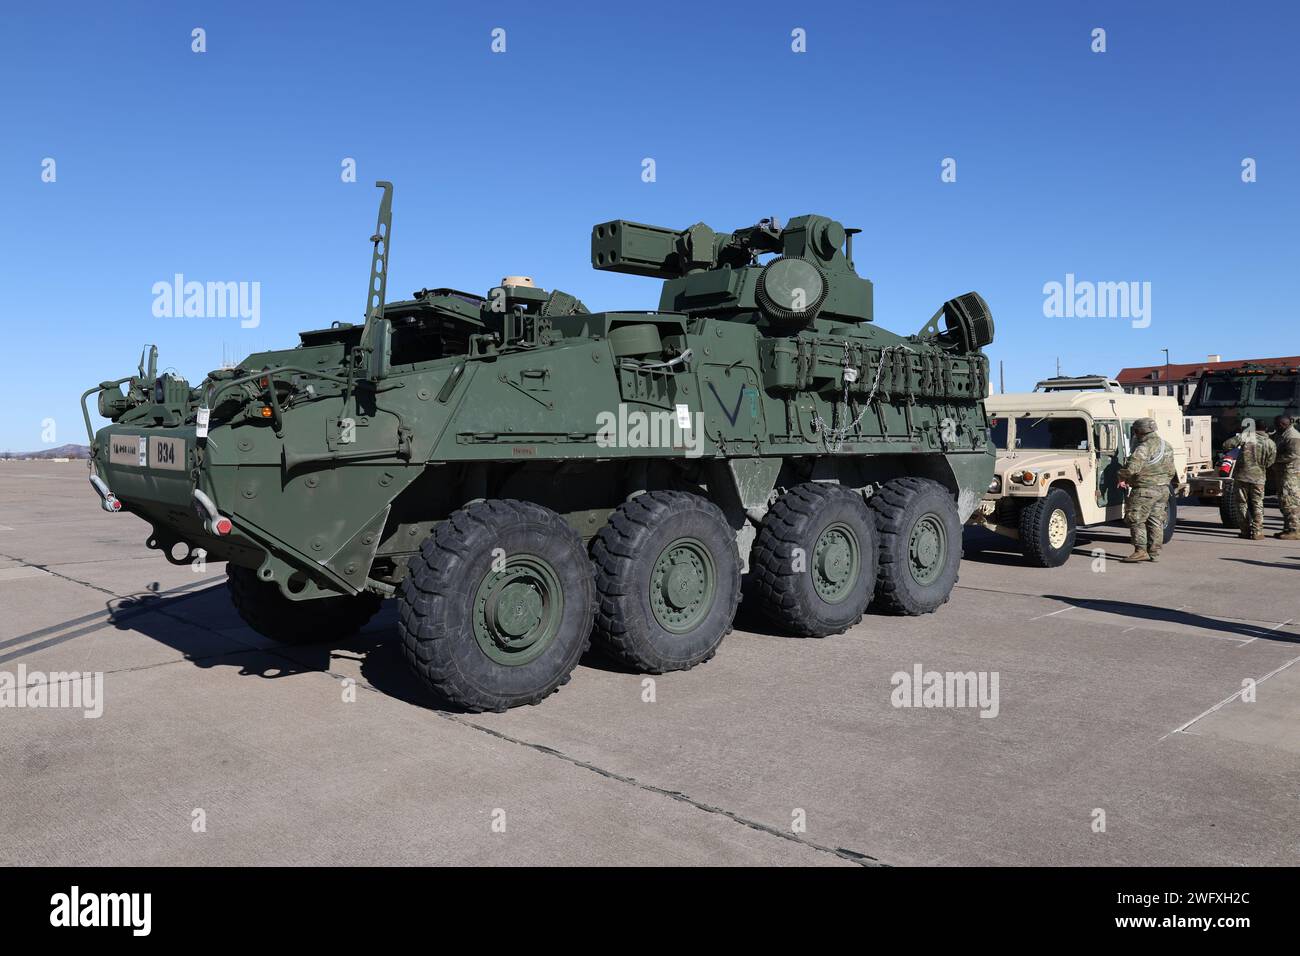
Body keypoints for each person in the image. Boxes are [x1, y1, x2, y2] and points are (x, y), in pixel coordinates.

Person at [1117, 417, 1177, 562]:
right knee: (1156, 520)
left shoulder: (1144, 447)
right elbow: (1171, 470)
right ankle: (1154, 552)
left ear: (1139, 431)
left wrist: (1121, 476)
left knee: (1136, 519)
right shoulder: (1166, 445)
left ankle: (1140, 551)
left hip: (1145, 490)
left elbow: (1132, 467)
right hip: (1163, 489)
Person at [1223, 417, 1277, 539]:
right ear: (1266, 429)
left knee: (1242, 504)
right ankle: (1257, 532)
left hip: (1242, 476)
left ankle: (1245, 531)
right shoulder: (1270, 443)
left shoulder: (1246, 437)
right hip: (1259, 478)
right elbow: (1270, 462)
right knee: (1258, 503)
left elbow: (1226, 445)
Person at [1272, 415, 1300, 540]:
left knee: (1290, 501)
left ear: (1283, 424)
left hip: (1291, 473)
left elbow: (1294, 454)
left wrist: (1274, 460)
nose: (1275, 427)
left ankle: (1295, 530)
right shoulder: (1282, 434)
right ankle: (1287, 528)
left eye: (1277, 424)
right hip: (1283, 472)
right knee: (1284, 501)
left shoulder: (1293, 436)